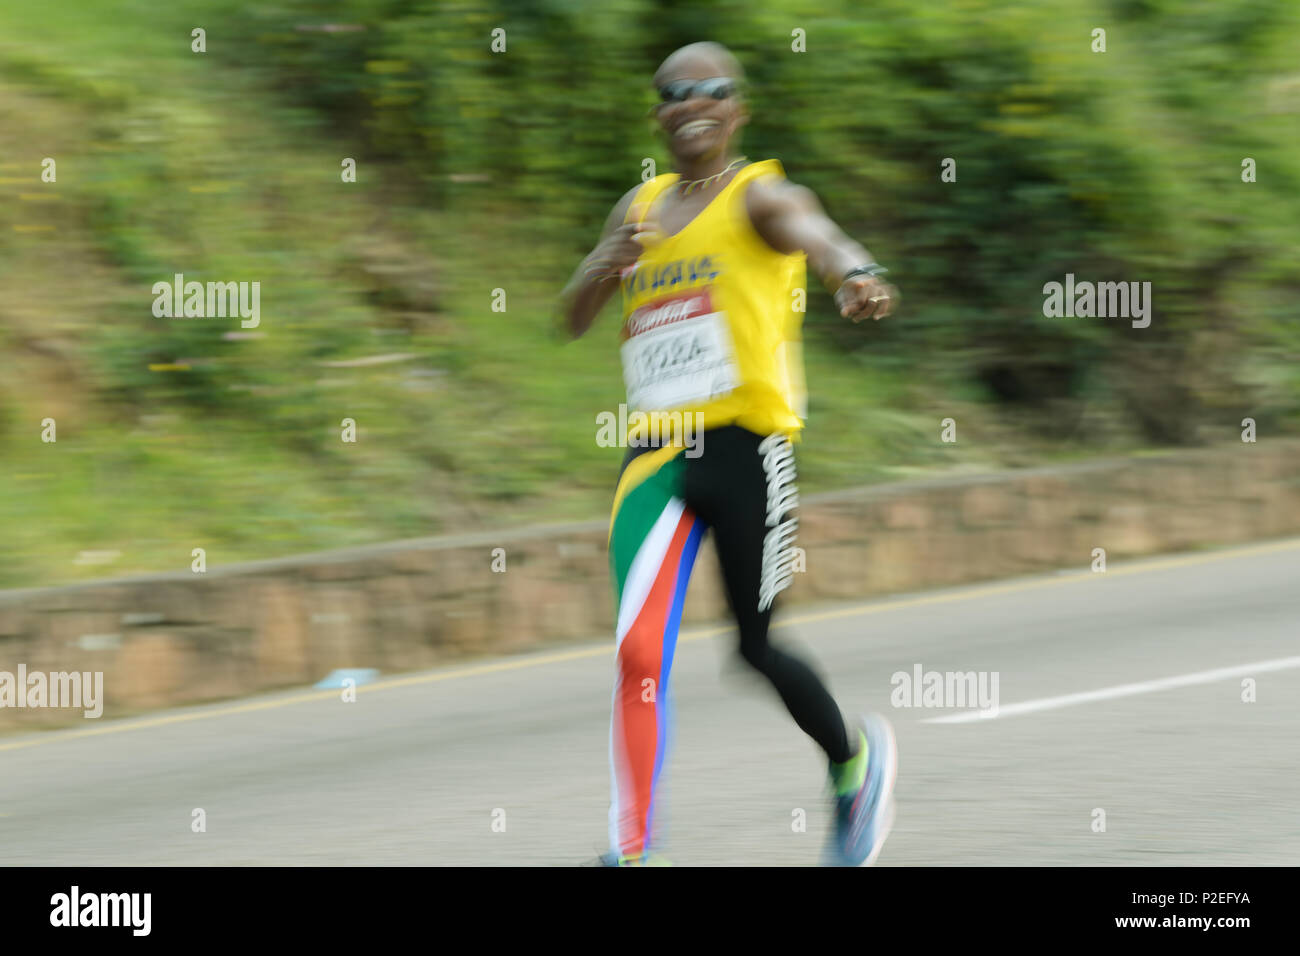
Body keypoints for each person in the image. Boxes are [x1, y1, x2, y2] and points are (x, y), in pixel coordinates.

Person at [559, 41, 900, 866]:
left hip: (750, 451)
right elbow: (571, 319)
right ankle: (634, 852)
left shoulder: (762, 196)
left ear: (736, 108)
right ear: (660, 114)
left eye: (711, 90)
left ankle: (854, 768)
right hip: (655, 457)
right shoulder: (635, 208)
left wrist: (855, 273)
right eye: (675, 93)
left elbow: (819, 236)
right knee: (640, 654)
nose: (693, 103)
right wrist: (599, 269)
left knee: (755, 648)